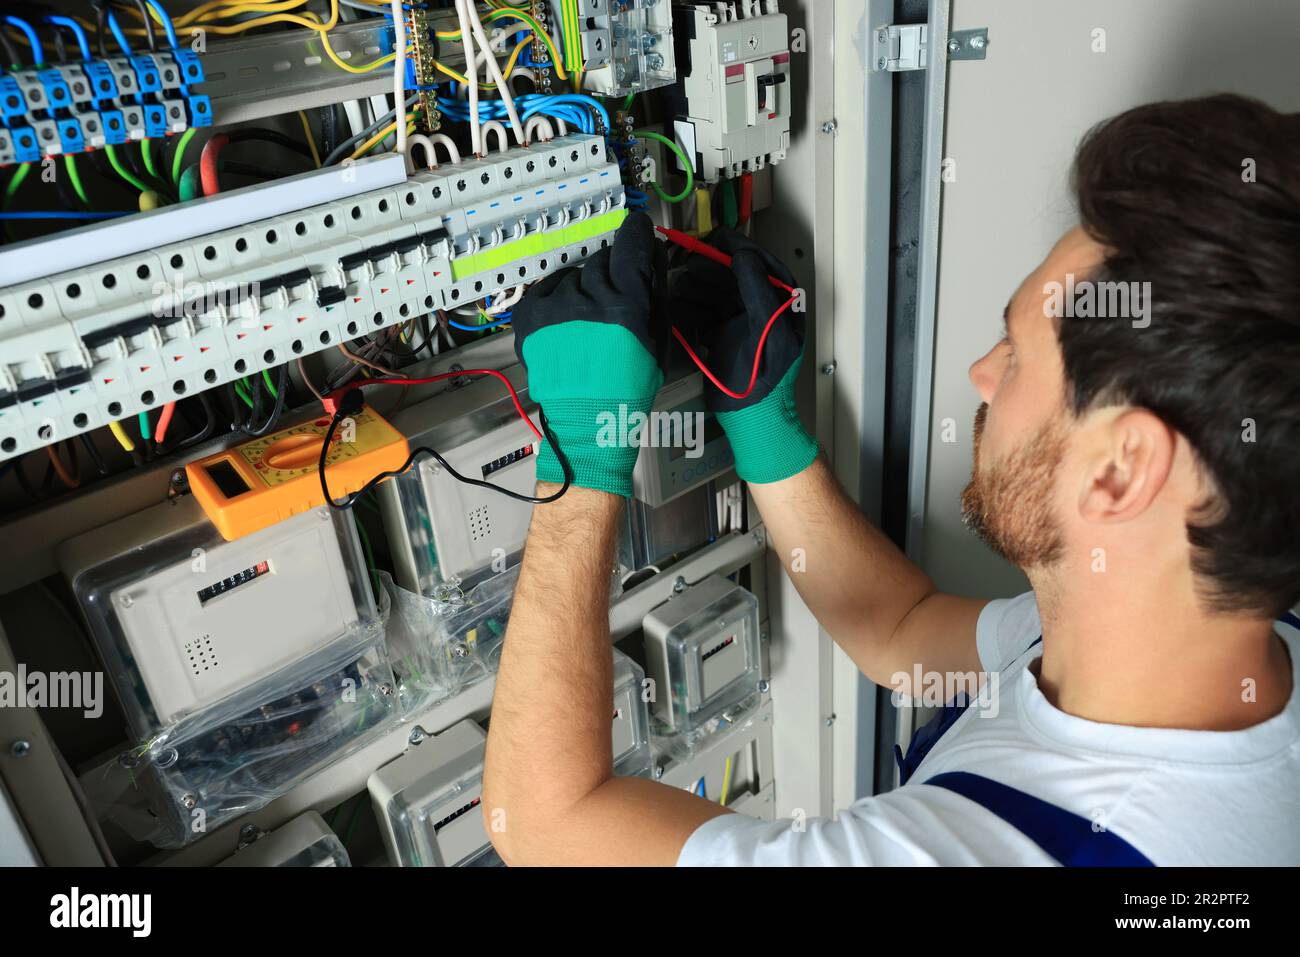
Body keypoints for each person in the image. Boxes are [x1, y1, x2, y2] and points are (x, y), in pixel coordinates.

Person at [481, 94, 1300, 866]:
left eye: (1015, 352)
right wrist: (767, 433)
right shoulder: (1206, 634)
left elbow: (543, 821)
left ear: (1121, 472)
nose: (982, 374)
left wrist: (584, 456)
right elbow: (903, 633)